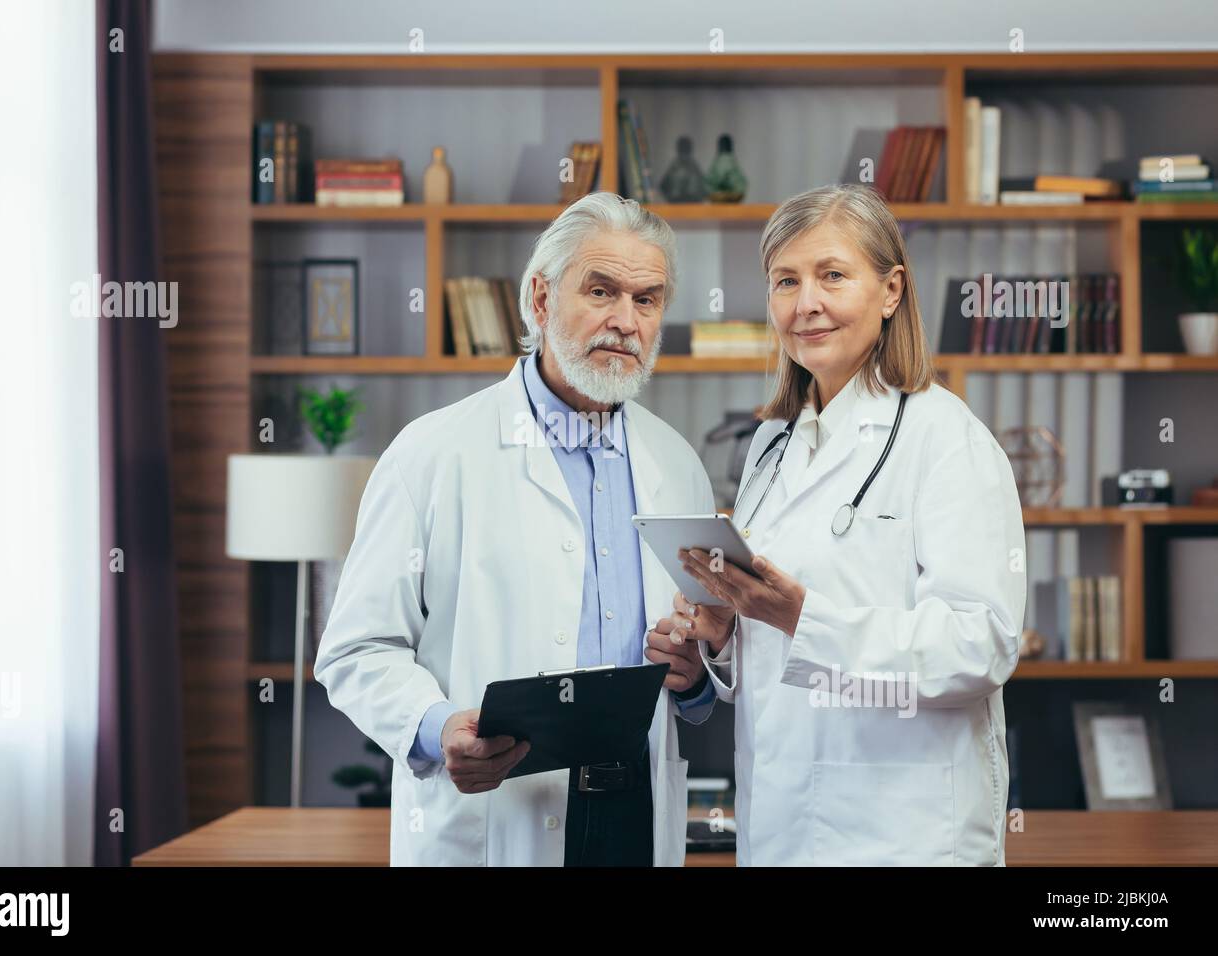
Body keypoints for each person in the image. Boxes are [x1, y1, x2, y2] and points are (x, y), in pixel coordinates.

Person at [315, 192, 718, 866]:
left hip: (636, 816)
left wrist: (696, 672)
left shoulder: (677, 464)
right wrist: (436, 726)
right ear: (540, 300)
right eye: (601, 290)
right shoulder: (432, 453)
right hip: (495, 817)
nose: (625, 320)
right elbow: (356, 649)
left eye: (647, 300)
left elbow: (700, 662)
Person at [655, 183, 1026, 866]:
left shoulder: (948, 441)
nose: (806, 304)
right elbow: (778, 651)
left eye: (832, 275)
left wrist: (804, 618)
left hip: (904, 835)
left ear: (890, 291)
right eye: (785, 281)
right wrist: (723, 634)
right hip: (779, 824)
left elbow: (984, 646)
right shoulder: (771, 444)